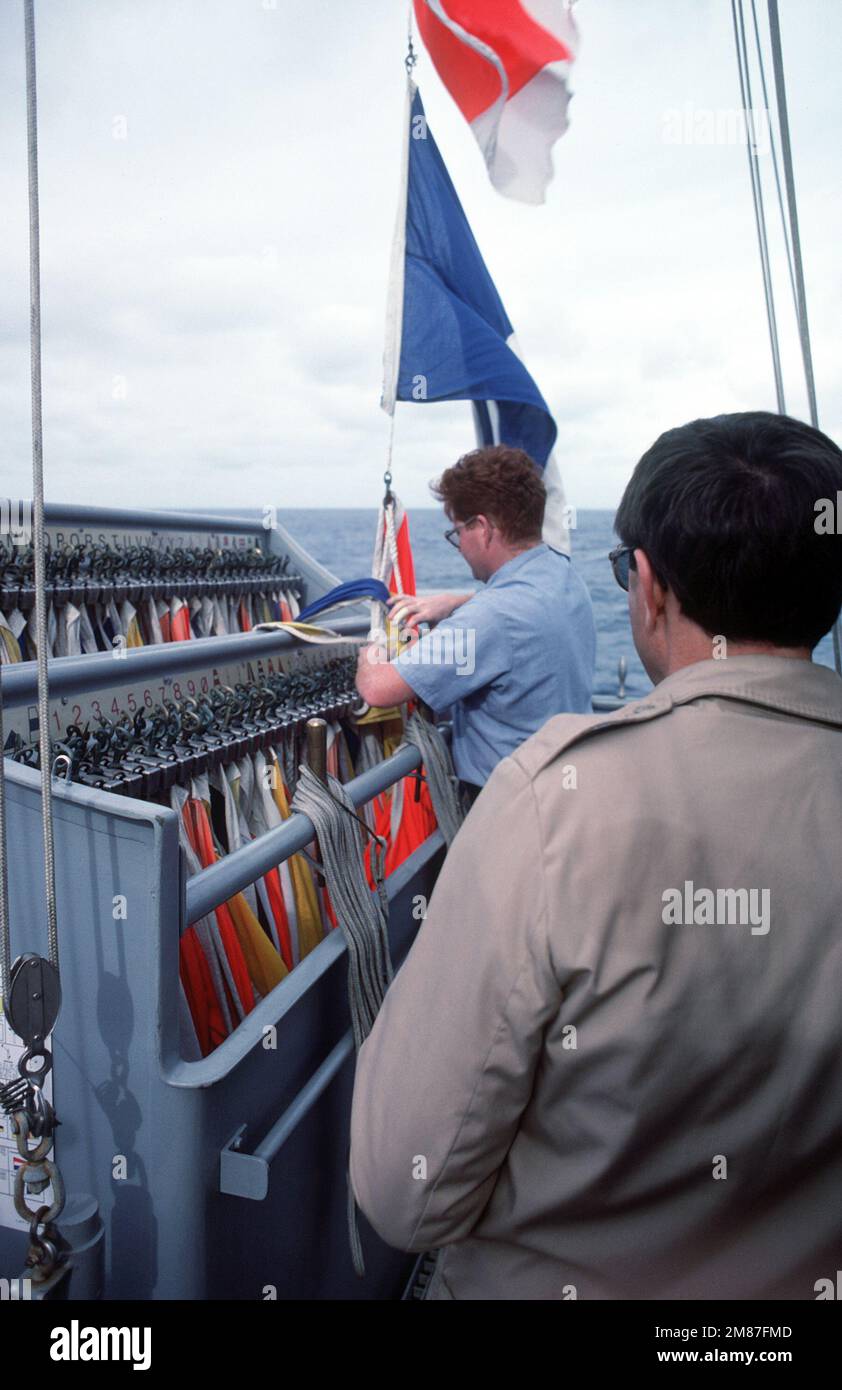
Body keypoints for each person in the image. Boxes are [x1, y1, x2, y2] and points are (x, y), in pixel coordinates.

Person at [349, 410, 842, 1300]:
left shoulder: (548, 812)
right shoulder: (554, 588)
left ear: (647, 589)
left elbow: (401, 1193)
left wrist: (378, 640)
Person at [354, 445, 596, 803]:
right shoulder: (564, 576)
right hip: (564, 790)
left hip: (509, 808)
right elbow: (520, 611)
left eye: (457, 534)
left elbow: (378, 689)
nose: (459, 546)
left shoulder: (490, 618)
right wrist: (456, 602)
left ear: (482, 528)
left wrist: (371, 652)